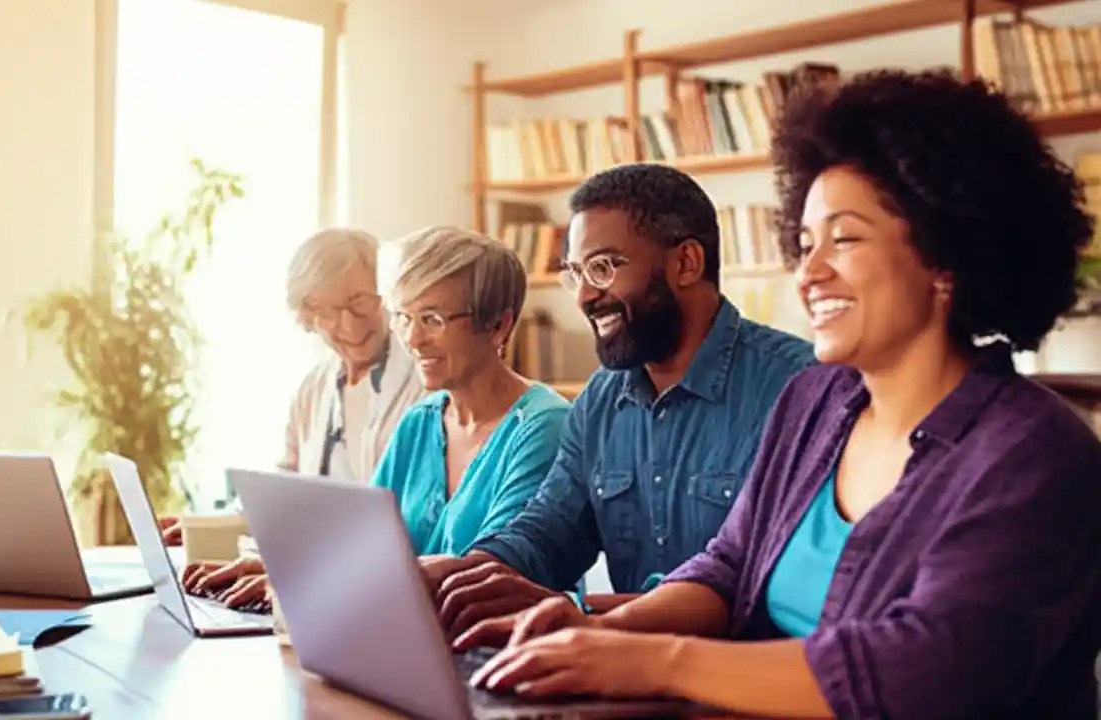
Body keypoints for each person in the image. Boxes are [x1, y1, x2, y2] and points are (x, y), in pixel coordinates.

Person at [461, 70, 1101, 720]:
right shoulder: (815, 401)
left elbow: (927, 671)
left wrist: (658, 660)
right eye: (804, 244)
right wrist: (601, 632)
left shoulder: (1035, 456)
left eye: (844, 239)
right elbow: (730, 564)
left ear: (947, 255)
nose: (810, 273)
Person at [423, 163, 815, 638]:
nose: (586, 295)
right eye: (576, 273)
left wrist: (578, 611)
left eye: (604, 267)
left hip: (742, 687)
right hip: (619, 671)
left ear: (686, 264)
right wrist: (469, 575)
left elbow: (758, 590)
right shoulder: (602, 400)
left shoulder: (798, 389)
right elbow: (548, 532)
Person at [185, 226, 571, 607]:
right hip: (411, 638)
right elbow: (366, 546)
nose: (414, 339)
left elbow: (491, 577)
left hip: (507, 650)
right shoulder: (420, 422)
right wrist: (283, 566)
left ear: (499, 325)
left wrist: (316, 579)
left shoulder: (543, 426)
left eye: (433, 319)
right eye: (405, 318)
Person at [164, 227, 425, 546]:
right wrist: (214, 526)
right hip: (318, 562)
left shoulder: (423, 381)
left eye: (360, 301)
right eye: (328, 312)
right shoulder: (312, 389)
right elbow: (285, 491)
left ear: (386, 294)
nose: (349, 325)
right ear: (308, 316)